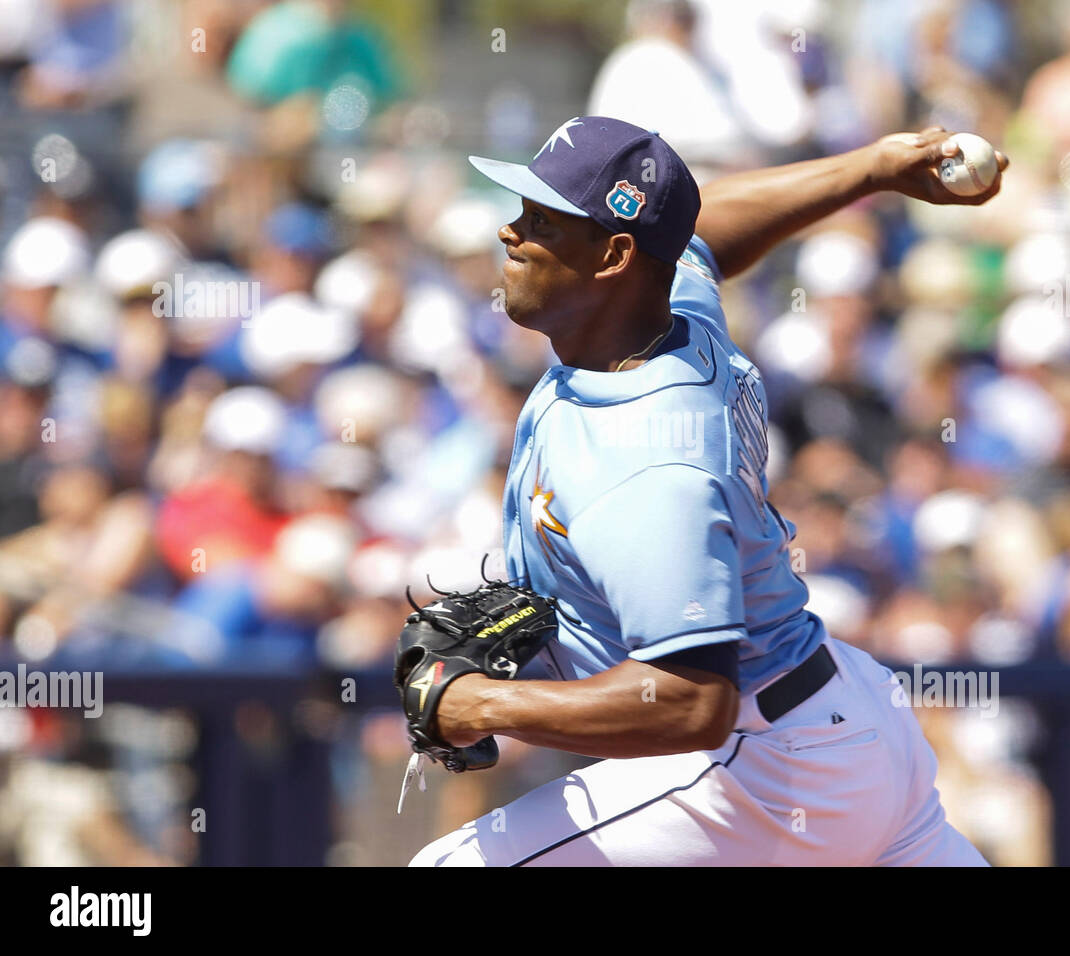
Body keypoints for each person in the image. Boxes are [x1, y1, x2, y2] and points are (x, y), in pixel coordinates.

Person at [409, 116, 1007, 866]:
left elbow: (693, 700)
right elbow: (702, 231)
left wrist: (480, 706)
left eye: (541, 221)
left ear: (614, 255)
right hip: (844, 719)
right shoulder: (665, 309)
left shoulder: (653, 465)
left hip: (766, 768)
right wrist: (874, 168)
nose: (509, 233)